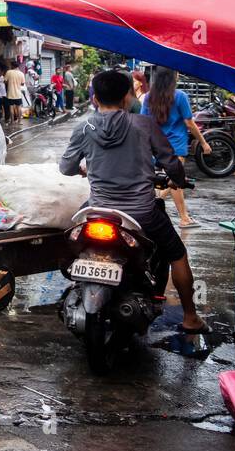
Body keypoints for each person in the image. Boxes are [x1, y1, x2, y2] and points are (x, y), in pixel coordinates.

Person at [59, 70, 206, 333]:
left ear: (94, 97)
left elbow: (66, 167)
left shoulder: (85, 127)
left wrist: (83, 170)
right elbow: (171, 162)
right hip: (141, 212)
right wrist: (178, 180)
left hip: (98, 209)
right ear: (127, 96)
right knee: (177, 253)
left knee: (70, 238)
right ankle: (190, 317)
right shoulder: (143, 124)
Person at [142, 66, 210, 228]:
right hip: (176, 146)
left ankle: (156, 201)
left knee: (171, 181)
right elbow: (189, 122)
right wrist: (203, 142)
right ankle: (184, 218)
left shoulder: (148, 97)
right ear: (173, 78)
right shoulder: (180, 96)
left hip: (155, 145)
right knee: (176, 181)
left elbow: (143, 121)